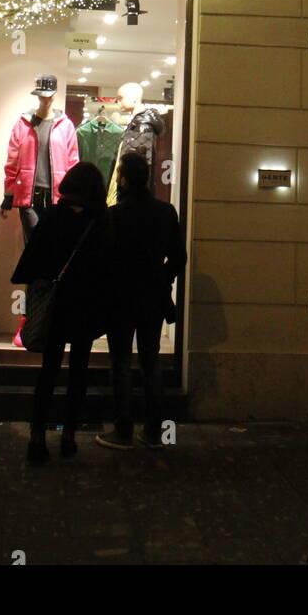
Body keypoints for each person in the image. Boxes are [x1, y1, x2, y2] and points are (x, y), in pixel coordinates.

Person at [12, 161, 109, 465]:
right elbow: (108, 267)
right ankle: (68, 436)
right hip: (85, 305)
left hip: (56, 306)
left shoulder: (53, 216)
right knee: (79, 371)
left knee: (48, 371)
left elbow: (32, 262)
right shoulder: (101, 221)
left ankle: (38, 436)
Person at [96, 152, 187, 450]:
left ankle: (123, 429)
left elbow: (105, 259)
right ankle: (154, 430)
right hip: (152, 296)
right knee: (151, 361)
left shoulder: (115, 214)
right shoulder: (165, 211)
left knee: (120, 362)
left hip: (121, 296)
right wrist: (163, 278)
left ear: (123, 177)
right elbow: (178, 258)